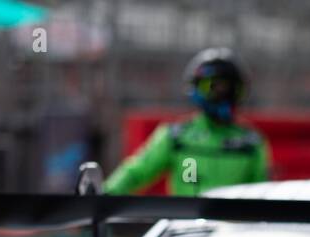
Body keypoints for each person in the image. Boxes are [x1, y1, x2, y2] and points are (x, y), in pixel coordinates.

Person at [105, 48, 270, 196]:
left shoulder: (251, 143)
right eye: (213, 86)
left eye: (228, 87)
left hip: (234, 229)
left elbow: (262, 193)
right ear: (197, 88)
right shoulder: (176, 136)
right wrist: (101, 199)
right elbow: (136, 173)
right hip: (186, 226)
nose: (221, 94)